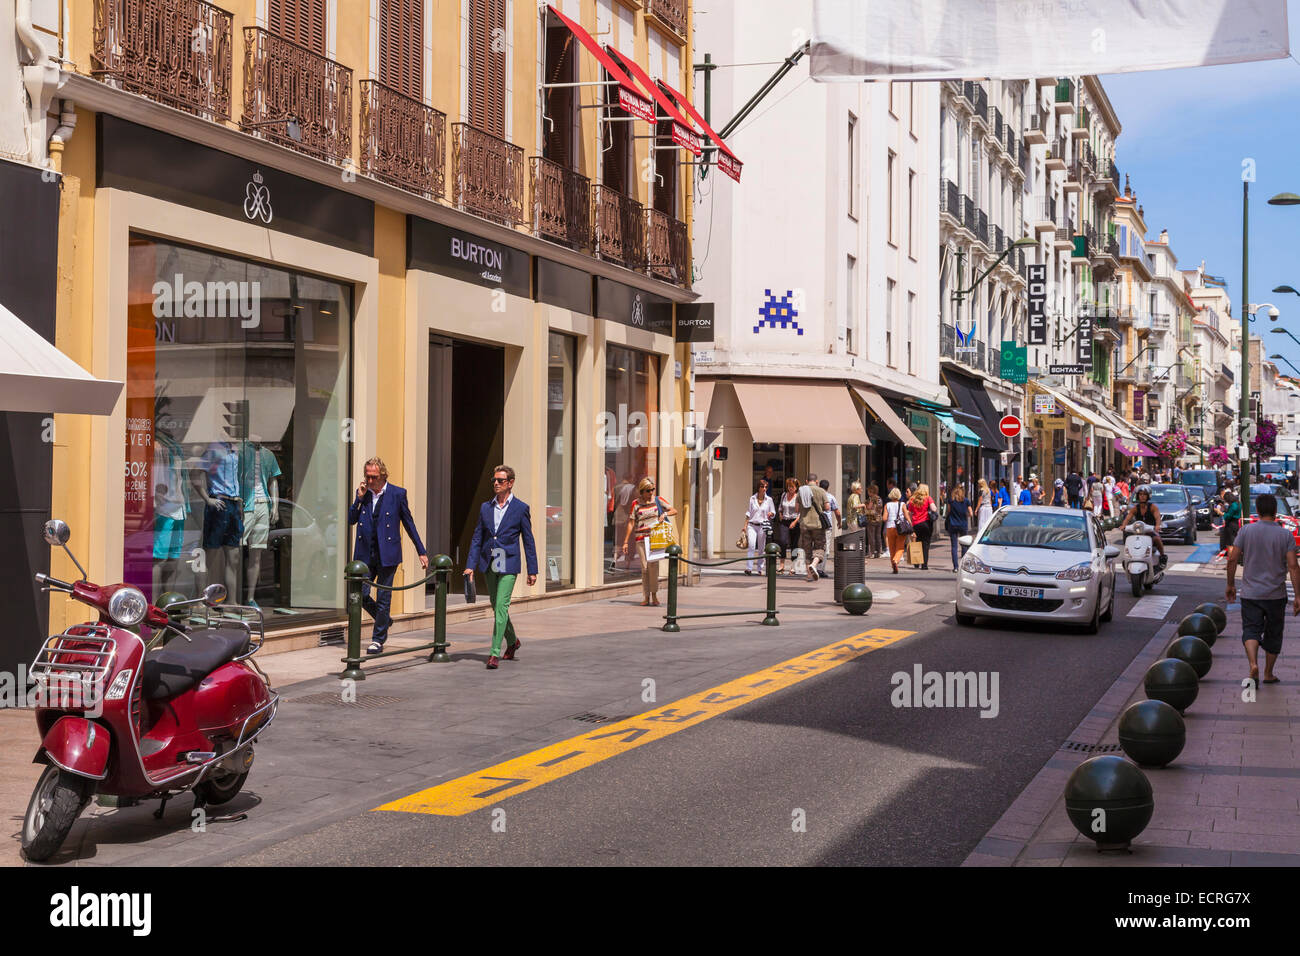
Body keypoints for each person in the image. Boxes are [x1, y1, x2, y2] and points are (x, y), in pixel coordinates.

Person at [350, 456, 429, 655]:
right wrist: (358, 500)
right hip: (365, 555)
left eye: (373, 477)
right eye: (367, 476)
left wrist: (422, 551)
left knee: (384, 597)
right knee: (360, 595)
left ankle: (377, 639)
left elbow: (409, 524)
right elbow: (351, 519)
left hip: (387, 554)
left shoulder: (397, 494)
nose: (369, 481)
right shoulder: (364, 494)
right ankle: (383, 619)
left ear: (383, 475)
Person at [466, 465, 539, 669]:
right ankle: (513, 641)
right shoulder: (485, 508)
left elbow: (529, 541)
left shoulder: (520, 508)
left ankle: (494, 653)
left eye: (500, 480)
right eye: (494, 481)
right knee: (495, 604)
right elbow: (477, 537)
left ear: (510, 483)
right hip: (489, 562)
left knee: (501, 606)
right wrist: (470, 565)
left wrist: (532, 569)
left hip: (509, 563)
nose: (496, 484)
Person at [1226, 494, 1300, 685]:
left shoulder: (1246, 530)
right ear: (1275, 512)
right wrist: (1298, 595)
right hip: (1276, 594)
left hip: (1250, 592)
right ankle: (1268, 673)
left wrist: (1230, 584)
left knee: (1251, 629)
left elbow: (1232, 559)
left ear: (1257, 511)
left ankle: (1253, 664)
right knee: (1273, 633)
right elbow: (1293, 565)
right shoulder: (1285, 534)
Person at [621, 477, 676, 609]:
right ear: (642, 491)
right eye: (648, 490)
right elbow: (631, 522)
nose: (651, 492)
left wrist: (665, 514)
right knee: (645, 568)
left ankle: (654, 595)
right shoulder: (636, 504)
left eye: (652, 489)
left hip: (655, 539)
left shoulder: (658, 500)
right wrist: (625, 542)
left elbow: (674, 510)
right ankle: (645, 596)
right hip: (640, 539)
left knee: (653, 567)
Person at [1119, 486, 1166, 566]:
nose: (1142, 496)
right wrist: (1123, 525)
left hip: (1151, 531)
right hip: (1139, 532)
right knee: (1129, 540)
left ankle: (1162, 557)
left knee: (1157, 538)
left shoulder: (1153, 507)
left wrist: (1157, 526)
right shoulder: (1135, 508)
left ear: (1148, 496)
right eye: (1140, 494)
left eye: (1144, 494)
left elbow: (1157, 517)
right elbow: (1128, 518)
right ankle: (1127, 557)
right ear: (1138, 496)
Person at [798, 473, 831, 582]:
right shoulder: (821, 491)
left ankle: (809, 575)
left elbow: (796, 509)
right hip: (818, 525)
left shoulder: (801, 491)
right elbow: (827, 507)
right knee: (820, 547)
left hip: (804, 525)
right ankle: (814, 564)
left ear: (806, 481)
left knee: (806, 550)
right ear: (816, 481)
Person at [744, 479, 776, 574]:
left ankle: (759, 569)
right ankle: (749, 568)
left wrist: (771, 514)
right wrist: (745, 526)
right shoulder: (752, 498)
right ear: (758, 487)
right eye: (762, 487)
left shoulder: (769, 500)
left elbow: (774, 512)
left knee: (761, 548)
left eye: (766, 487)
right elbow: (748, 512)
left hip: (763, 525)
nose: (764, 489)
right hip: (752, 525)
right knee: (752, 545)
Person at [909, 483, 938, 570]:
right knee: (925, 544)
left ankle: (916, 563)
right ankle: (924, 565)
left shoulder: (912, 499)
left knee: (917, 543)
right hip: (926, 524)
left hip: (916, 524)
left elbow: (910, 513)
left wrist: (911, 524)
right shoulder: (928, 498)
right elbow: (934, 509)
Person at [775, 477, 800, 574]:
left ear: (796, 487)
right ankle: (781, 565)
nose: (790, 488)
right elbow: (780, 507)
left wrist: (795, 522)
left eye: (792, 487)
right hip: (784, 521)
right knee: (783, 541)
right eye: (789, 486)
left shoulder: (798, 497)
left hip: (795, 521)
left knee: (794, 544)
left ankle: (793, 566)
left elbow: (801, 512)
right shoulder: (784, 495)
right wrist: (780, 515)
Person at [946, 483, 971, 570]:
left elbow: (948, 512)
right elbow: (970, 513)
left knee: (954, 546)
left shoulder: (951, 501)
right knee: (964, 546)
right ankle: (963, 566)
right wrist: (965, 515)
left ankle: (955, 567)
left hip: (953, 525)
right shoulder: (966, 501)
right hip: (963, 525)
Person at [884, 487, 906, 574]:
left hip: (890, 528)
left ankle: (894, 567)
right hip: (900, 528)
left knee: (892, 548)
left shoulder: (887, 505)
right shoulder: (903, 504)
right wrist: (910, 523)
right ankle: (896, 560)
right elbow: (906, 516)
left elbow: (884, 518)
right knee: (900, 547)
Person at [863, 483, 884, 559]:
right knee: (878, 536)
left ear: (871, 491)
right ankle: (879, 552)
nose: (868, 493)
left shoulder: (871, 499)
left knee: (871, 536)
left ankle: (871, 552)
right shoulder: (879, 499)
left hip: (871, 519)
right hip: (879, 519)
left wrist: (865, 505)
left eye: (869, 491)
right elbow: (880, 509)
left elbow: (869, 507)